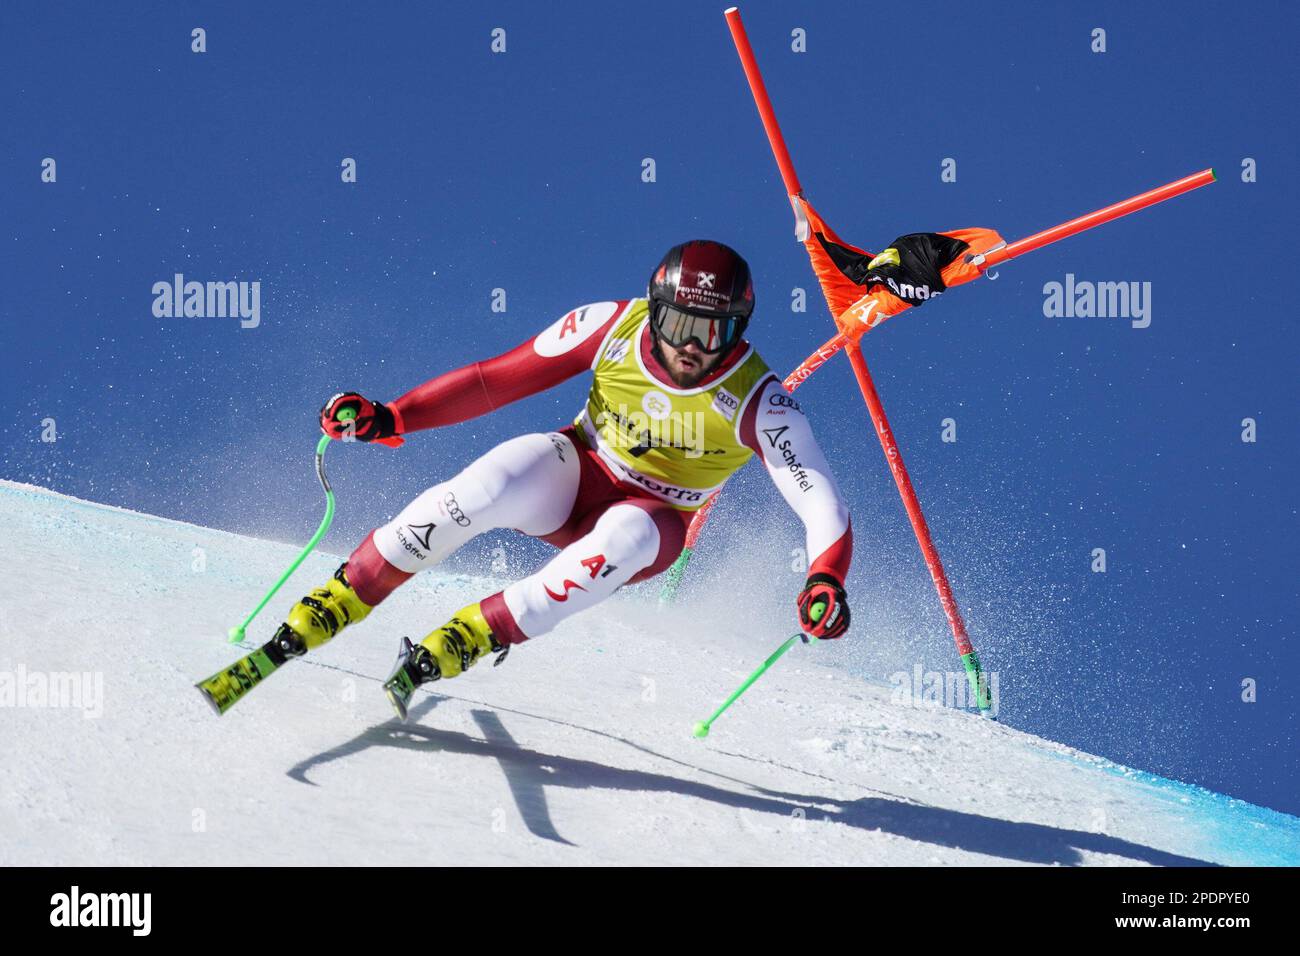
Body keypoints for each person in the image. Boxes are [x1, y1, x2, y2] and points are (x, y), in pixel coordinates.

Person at [271, 240, 855, 719]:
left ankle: (472, 635)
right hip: (577, 470)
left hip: (653, 519)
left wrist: (823, 578)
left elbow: (818, 501)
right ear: (655, 309)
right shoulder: (609, 327)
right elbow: (492, 381)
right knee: (494, 481)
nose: (690, 348)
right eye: (678, 323)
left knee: (625, 536)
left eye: (713, 333)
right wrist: (393, 416)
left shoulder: (761, 401)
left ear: (739, 330)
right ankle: (347, 591)